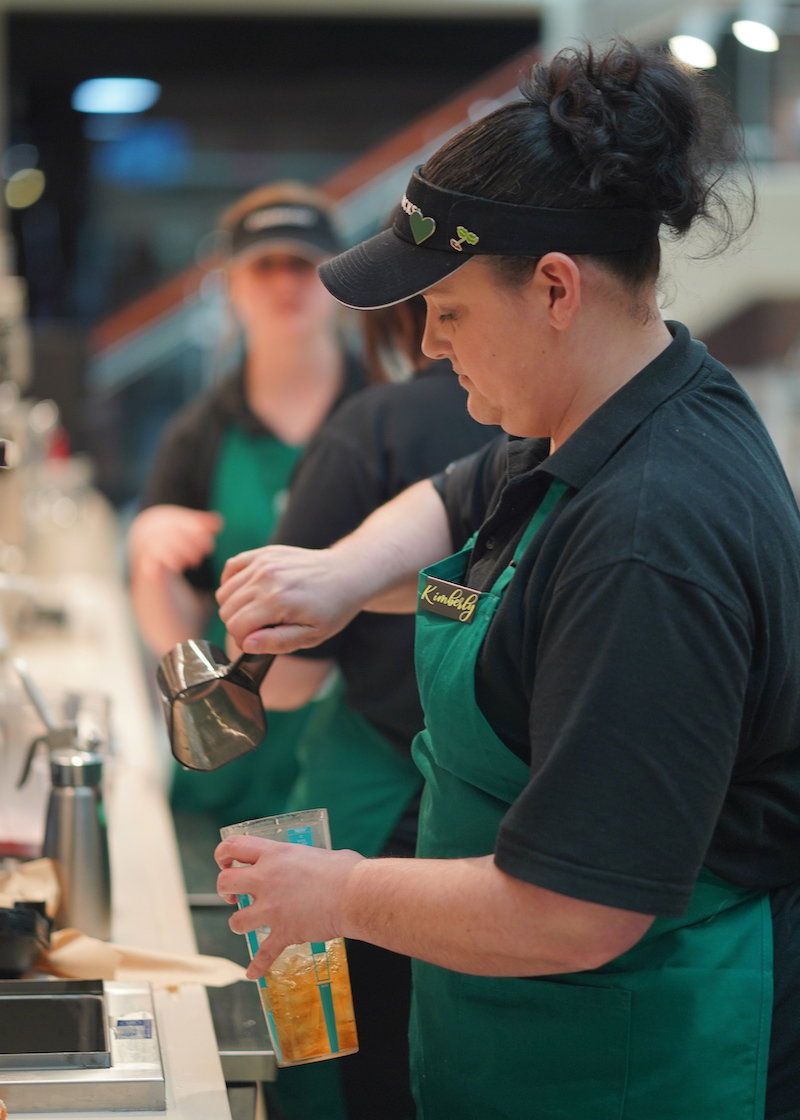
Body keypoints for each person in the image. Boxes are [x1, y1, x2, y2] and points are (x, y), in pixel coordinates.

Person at [213, 43, 800, 1120]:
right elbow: (458, 493)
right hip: (531, 1040)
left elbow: (579, 909)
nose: (431, 345)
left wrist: (338, 893)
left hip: (638, 1060)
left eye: (448, 310)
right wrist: (340, 575)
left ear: (556, 289)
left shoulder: (650, 539)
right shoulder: (613, 406)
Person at [258, 295, 498, 1119]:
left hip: (365, 807)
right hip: (492, 837)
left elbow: (283, 682)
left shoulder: (373, 425)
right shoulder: (551, 448)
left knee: (313, 1043)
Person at [128, 182, 364, 828]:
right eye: (265, 265)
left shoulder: (387, 420)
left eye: (303, 264)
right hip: (226, 761)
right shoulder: (198, 434)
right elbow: (175, 634)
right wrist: (151, 554)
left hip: (356, 760)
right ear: (233, 283)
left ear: (338, 279)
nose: (285, 283)